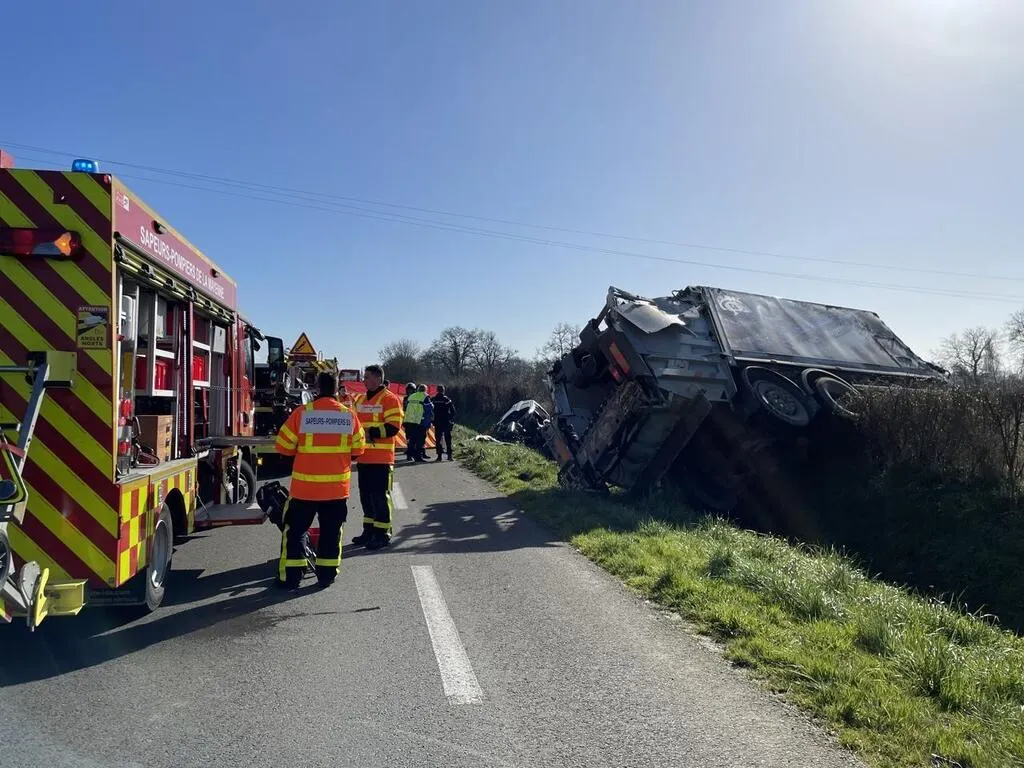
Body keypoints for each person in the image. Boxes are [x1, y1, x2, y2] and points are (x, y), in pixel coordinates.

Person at [273, 371, 364, 589]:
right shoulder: (349, 415)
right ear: (336, 389)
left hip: (305, 490)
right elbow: (358, 449)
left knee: (295, 532)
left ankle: (291, 578)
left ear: (316, 388)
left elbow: (283, 447)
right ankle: (327, 575)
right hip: (336, 490)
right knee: (332, 533)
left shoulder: (302, 413)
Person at [351, 365, 404, 549]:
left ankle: (383, 533)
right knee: (366, 497)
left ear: (378, 379)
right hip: (364, 458)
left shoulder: (390, 399)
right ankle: (369, 530)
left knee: (380, 497)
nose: (363, 380)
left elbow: (393, 427)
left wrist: (369, 431)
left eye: (367, 377)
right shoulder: (361, 399)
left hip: (381, 459)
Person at [402, 382, 428, 462]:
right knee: (414, 439)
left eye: (411, 390)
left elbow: (405, 408)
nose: (409, 391)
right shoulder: (418, 397)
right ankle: (414, 455)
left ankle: (414, 454)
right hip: (416, 420)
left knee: (412, 439)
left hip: (408, 420)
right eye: (408, 390)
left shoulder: (409, 398)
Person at [431, 385, 456, 461]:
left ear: (437, 390)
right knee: (448, 439)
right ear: (443, 391)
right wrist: (450, 418)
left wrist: (433, 420)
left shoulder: (433, 400)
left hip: (437, 422)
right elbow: (453, 411)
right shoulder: (446, 399)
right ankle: (449, 456)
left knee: (438, 439)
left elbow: (430, 411)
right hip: (446, 422)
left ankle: (439, 456)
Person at [417, 383, 433, 460]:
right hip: (423, 420)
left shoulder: (414, 396)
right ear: (425, 389)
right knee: (422, 438)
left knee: (416, 438)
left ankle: (417, 454)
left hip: (414, 420)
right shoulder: (425, 397)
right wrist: (431, 405)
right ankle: (421, 455)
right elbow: (428, 409)